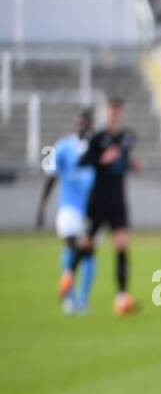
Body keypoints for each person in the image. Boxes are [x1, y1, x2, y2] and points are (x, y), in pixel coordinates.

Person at [72, 97, 140, 316]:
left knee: (121, 244)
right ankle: (69, 274)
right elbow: (82, 161)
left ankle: (121, 297)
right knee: (88, 244)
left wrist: (132, 165)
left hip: (118, 200)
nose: (114, 115)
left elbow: (125, 160)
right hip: (98, 200)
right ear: (106, 113)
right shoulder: (98, 138)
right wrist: (101, 159)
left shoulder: (127, 138)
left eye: (117, 112)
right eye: (111, 112)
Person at [36, 106, 96, 315]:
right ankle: (70, 300)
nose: (80, 125)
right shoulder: (61, 147)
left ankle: (83, 301)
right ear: (74, 123)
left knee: (89, 255)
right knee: (72, 248)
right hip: (68, 208)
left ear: (91, 124)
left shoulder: (95, 148)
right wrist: (42, 207)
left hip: (90, 211)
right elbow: (50, 177)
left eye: (84, 122)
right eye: (77, 121)